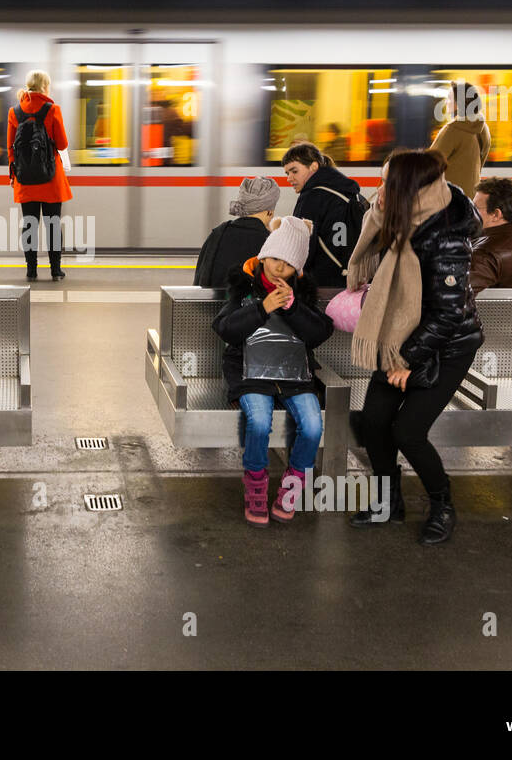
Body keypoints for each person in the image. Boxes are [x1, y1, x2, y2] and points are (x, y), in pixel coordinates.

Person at [344, 150, 483, 545]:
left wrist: (407, 359)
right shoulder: (401, 215)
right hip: (400, 337)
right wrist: (378, 207)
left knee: (408, 431)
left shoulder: (448, 236)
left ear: (408, 188)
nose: (380, 188)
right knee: (373, 422)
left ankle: (443, 505)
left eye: (387, 181)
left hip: (447, 346)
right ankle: (389, 503)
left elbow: (449, 313)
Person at [213, 216, 333, 526]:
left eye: (288, 263)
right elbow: (226, 329)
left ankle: (291, 489)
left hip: (294, 376)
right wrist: (262, 308)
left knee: (311, 427)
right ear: (264, 255)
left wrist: (294, 308)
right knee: (258, 422)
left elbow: (320, 333)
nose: (279, 268)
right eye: (275, 259)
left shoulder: (302, 292)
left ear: (298, 269)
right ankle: (255, 489)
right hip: (250, 372)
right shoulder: (243, 285)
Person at [8, 70, 72, 281]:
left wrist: (13, 174)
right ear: (45, 87)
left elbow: (11, 149)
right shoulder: (52, 109)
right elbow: (62, 144)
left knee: (29, 224)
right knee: (52, 223)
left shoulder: (14, 112)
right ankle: (55, 270)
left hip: (25, 179)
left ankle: (31, 270)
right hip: (50, 178)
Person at [283, 141, 367, 289]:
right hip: (352, 278)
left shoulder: (312, 196)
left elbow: (299, 247)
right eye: (287, 173)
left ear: (314, 166)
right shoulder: (351, 193)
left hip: (321, 283)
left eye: (294, 171)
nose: (289, 178)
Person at [194, 175, 279, 287]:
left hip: (214, 304)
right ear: (270, 212)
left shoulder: (217, 234)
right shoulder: (271, 243)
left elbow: (199, 279)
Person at [429, 81, 491, 198]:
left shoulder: (452, 129)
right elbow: (480, 162)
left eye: (449, 98)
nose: (446, 102)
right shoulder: (483, 129)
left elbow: (429, 164)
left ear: (459, 104)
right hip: (471, 199)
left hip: (449, 200)